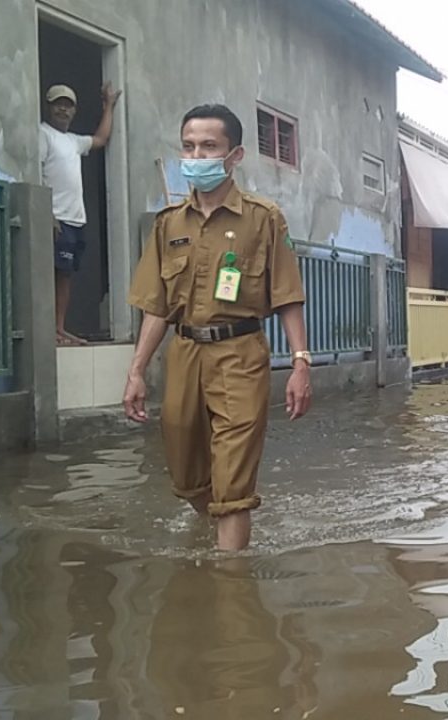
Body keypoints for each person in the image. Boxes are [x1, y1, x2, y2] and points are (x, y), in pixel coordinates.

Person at [122, 104, 312, 551]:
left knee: (233, 485)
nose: (196, 156)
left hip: (240, 355)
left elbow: (287, 295)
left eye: (209, 146)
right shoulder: (168, 224)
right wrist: (136, 371)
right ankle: (219, 527)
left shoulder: (263, 218)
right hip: (184, 355)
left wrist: (301, 363)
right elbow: (157, 307)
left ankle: (231, 580)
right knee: (187, 476)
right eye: (188, 146)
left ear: (234, 155)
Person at [39, 82, 121, 346]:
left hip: (75, 219)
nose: (63, 109)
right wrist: (47, 214)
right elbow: (36, 171)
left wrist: (109, 106)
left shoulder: (73, 141)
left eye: (68, 105)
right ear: (48, 107)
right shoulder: (43, 134)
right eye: (58, 104)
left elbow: (101, 139)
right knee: (50, 274)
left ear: (74, 111)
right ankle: (49, 330)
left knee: (65, 276)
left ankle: (59, 328)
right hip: (56, 218)